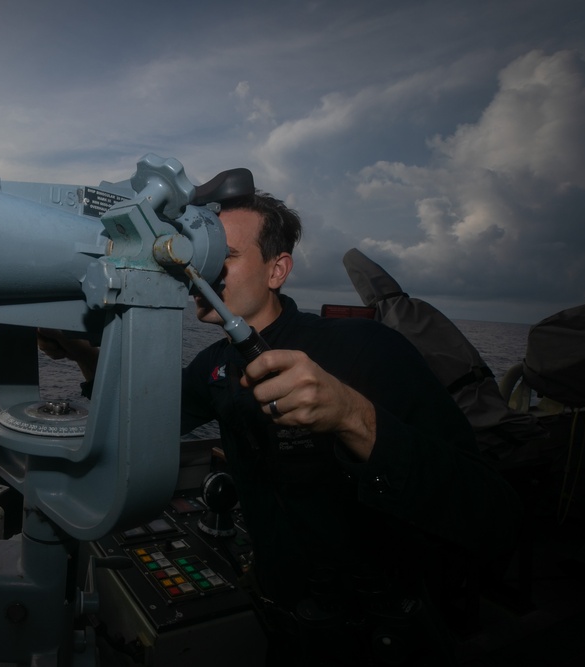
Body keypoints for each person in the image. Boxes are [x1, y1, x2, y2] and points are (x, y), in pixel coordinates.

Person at [39, 175, 519, 666]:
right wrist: (85, 356)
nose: (197, 271)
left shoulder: (369, 349)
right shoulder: (214, 366)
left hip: (381, 636)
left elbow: (489, 512)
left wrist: (353, 415)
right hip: (286, 621)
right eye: (194, 252)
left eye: (221, 256)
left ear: (277, 270)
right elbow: (140, 423)